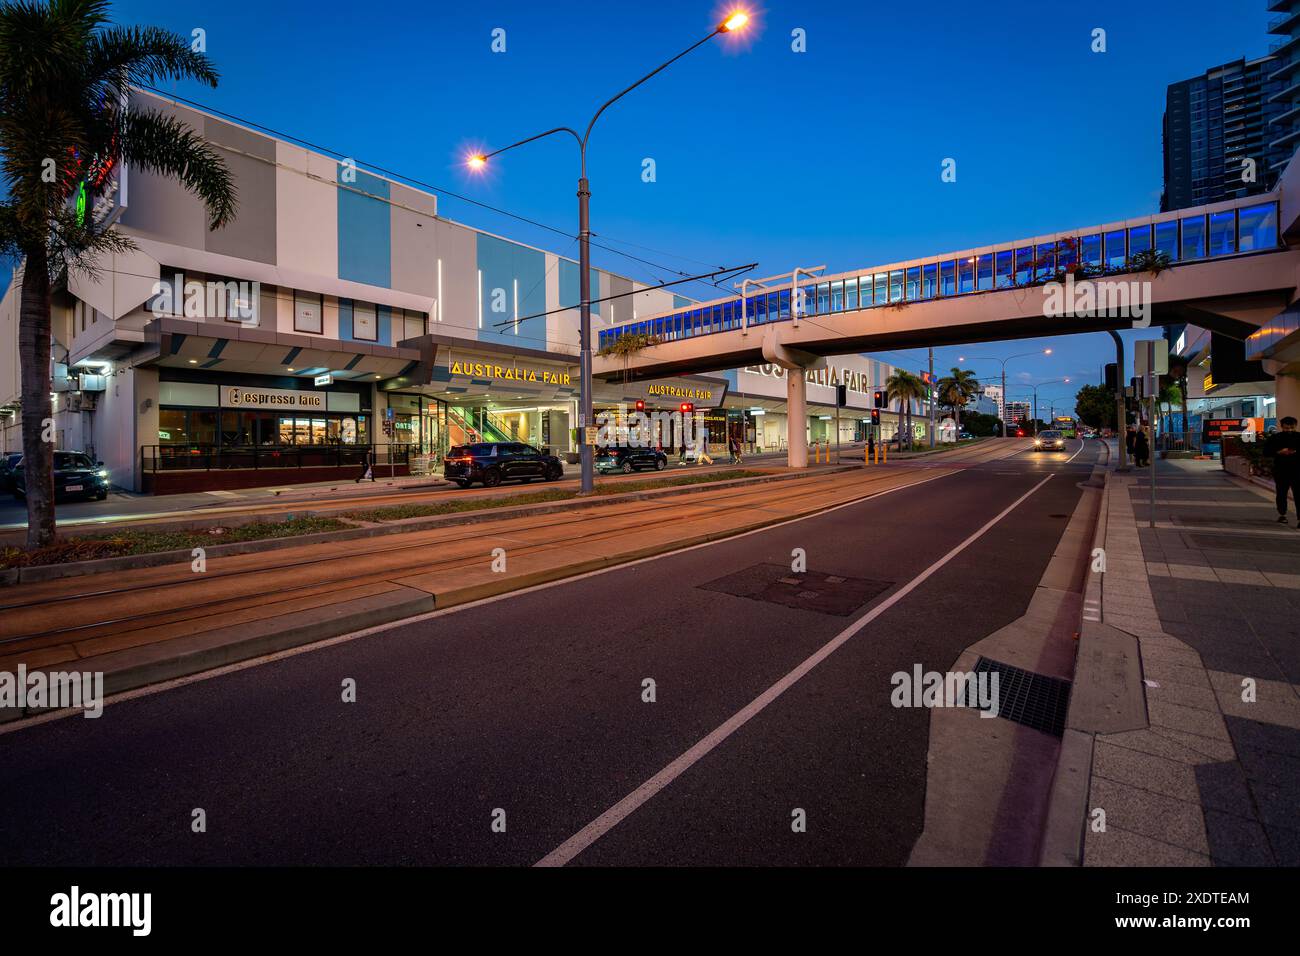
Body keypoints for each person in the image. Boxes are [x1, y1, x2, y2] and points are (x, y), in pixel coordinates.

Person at [1264, 416, 1300, 526]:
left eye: (1291, 428)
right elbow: (1266, 452)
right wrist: (1279, 452)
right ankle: (1282, 514)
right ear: (1282, 426)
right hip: (1281, 470)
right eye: (1286, 428)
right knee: (1281, 494)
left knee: (1299, 495)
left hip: (1298, 470)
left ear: (1295, 426)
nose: (1289, 430)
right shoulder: (1275, 438)